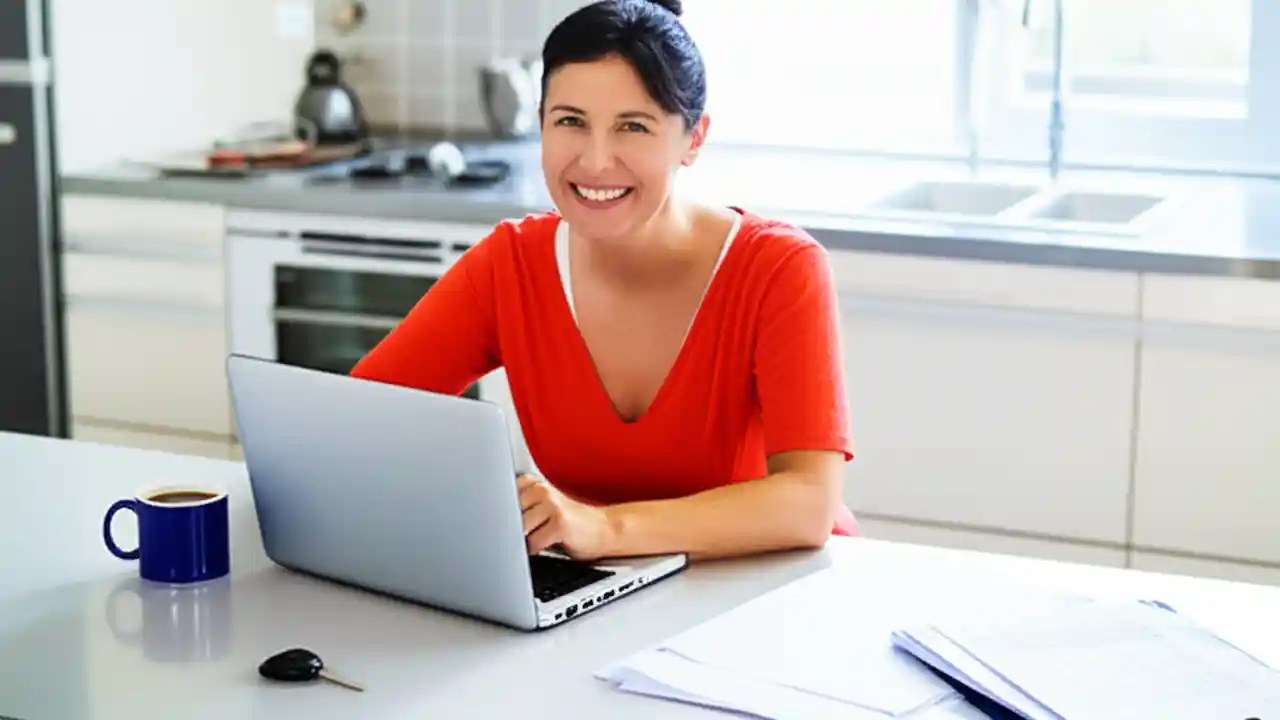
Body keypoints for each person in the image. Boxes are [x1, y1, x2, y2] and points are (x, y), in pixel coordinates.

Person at [350, 0, 855, 562]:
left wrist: (604, 530)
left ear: (693, 139)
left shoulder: (778, 269)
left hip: (770, 590)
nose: (594, 161)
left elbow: (808, 502)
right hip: (601, 594)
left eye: (632, 127)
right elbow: (357, 421)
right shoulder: (510, 265)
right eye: (570, 121)